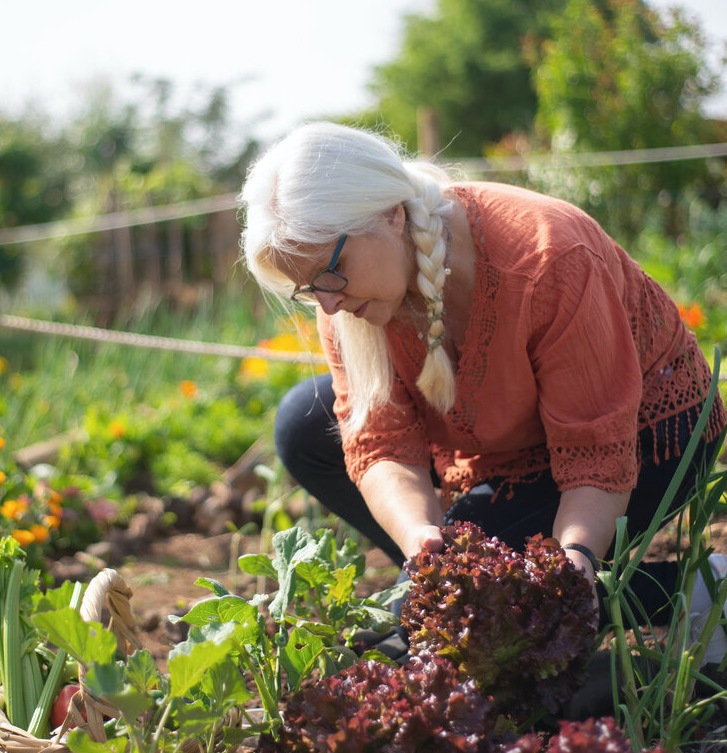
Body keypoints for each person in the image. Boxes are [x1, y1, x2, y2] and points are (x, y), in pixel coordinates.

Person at [239, 121, 727, 660]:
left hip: (645, 436)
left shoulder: (549, 256)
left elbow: (595, 449)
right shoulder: (340, 291)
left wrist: (573, 560)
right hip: (512, 445)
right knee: (304, 427)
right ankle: (460, 592)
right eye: (307, 290)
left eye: (329, 277)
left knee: (486, 607)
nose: (326, 305)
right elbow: (380, 441)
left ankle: (695, 586)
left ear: (390, 215)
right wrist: (420, 539)